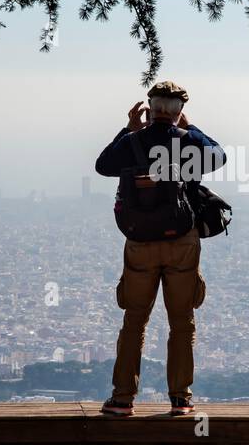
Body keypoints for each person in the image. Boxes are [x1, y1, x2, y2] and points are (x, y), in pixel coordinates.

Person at [94, 80, 226, 416]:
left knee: (134, 320)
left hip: (139, 242)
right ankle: (180, 399)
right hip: (181, 240)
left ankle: (123, 399)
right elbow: (219, 157)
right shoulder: (186, 142)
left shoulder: (133, 142)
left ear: (148, 108)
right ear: (179, 111)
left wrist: (128, 129)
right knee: (182, 321)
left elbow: (103, 165)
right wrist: (190, 127)